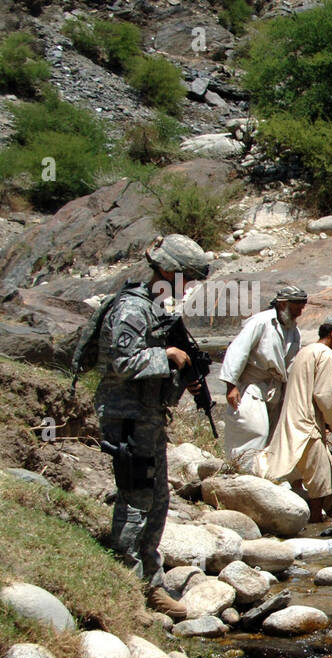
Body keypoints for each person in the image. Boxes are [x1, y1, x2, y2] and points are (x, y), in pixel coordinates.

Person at [95, 234, 210, 620]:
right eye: (186, 278)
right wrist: (167, 355)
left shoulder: (154, 308)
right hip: (127, 420)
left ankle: (151, 582)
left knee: (157, 500)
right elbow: (122, 363)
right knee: (135, 501)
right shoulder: (131, 308)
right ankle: (127, 586)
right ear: (168, 271)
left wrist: (184, 375)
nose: (187, 286)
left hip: (147, 419)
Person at [255, 317, 332, 523]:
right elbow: (324, 394)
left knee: (321, 471)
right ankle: (316, 521)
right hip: (307, 424)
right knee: (320, 476)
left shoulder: (306, 350)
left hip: (293, 418)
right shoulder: (325, 354)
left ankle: (327, 516)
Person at [220, 285, 305, 467]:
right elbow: (238, 350)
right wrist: (230, 385)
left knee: (273, 435)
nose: (301, 309)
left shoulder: (294, 330)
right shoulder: (261, 322)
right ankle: (243, 472)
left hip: (275, 389)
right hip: (252, 386)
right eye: (297, 304)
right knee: (255, 430)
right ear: (283, 304)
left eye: (302, 304)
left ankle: (265, 474)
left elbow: (291, 364)